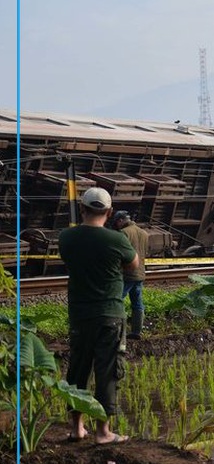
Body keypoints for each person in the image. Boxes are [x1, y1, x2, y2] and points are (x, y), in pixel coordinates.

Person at [59, 187, 138, 444]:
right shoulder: (116, 240)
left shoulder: (67, 238)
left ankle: (76, 429)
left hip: (79, 316)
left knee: (78, 370)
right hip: (110, 315)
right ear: (109, 211)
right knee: (107, 372)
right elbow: (133, 264)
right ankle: (103, 432)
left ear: (82, 209)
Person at [111, 210, 148, 340]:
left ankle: (117, 331)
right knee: (137, 303)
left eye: (117, 222)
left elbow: (119, 255)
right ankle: (136, 332)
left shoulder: (123, 233)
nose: (116, 225)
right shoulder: (144, 233)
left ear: (121, 220)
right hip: (140, 274)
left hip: (127, 274)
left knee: (116, 301)